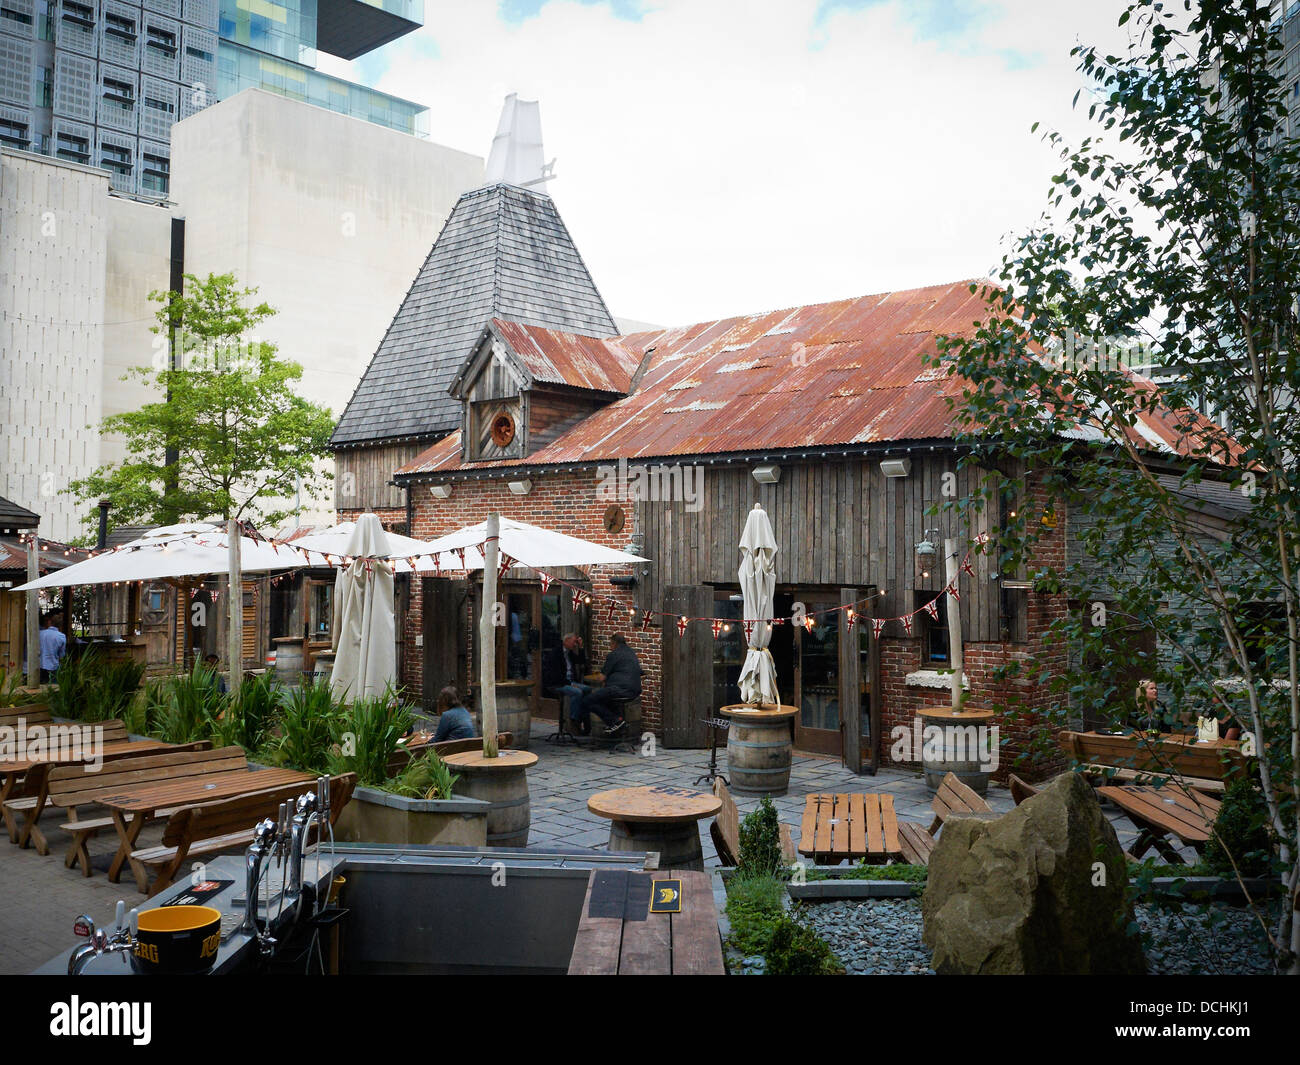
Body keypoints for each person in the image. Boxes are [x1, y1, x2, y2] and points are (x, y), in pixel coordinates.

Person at [585, 633, 642, 736]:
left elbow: (601, 677)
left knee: (588, 700)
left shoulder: (614, 654)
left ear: (614, 643)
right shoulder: (631, 653)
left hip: (619, 689)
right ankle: (617, 724)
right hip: (634, 691)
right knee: (606, 699)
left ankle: (615, 721)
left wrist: (586, 677)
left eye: (610, 645)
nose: (610, 647)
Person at [543, 633, 591, 733]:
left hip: (568, 681)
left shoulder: (569, 652)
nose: (575, 644)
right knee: (577, 692)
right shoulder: (556, 653)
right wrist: (569, 684)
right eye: (574, 642)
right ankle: (574, 720)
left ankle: (584, 718)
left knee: (587, 689)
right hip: (557, 683)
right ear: (566, 641)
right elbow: (556, 675)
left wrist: (581, 647)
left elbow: (580, 661)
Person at [37, 615, 67, 684]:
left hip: (40, 665)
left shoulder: (40, 633)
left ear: (50, 622)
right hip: (53, 666)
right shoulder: (61, 636)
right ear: (60, 625)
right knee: (53, 689)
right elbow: (62, 655)